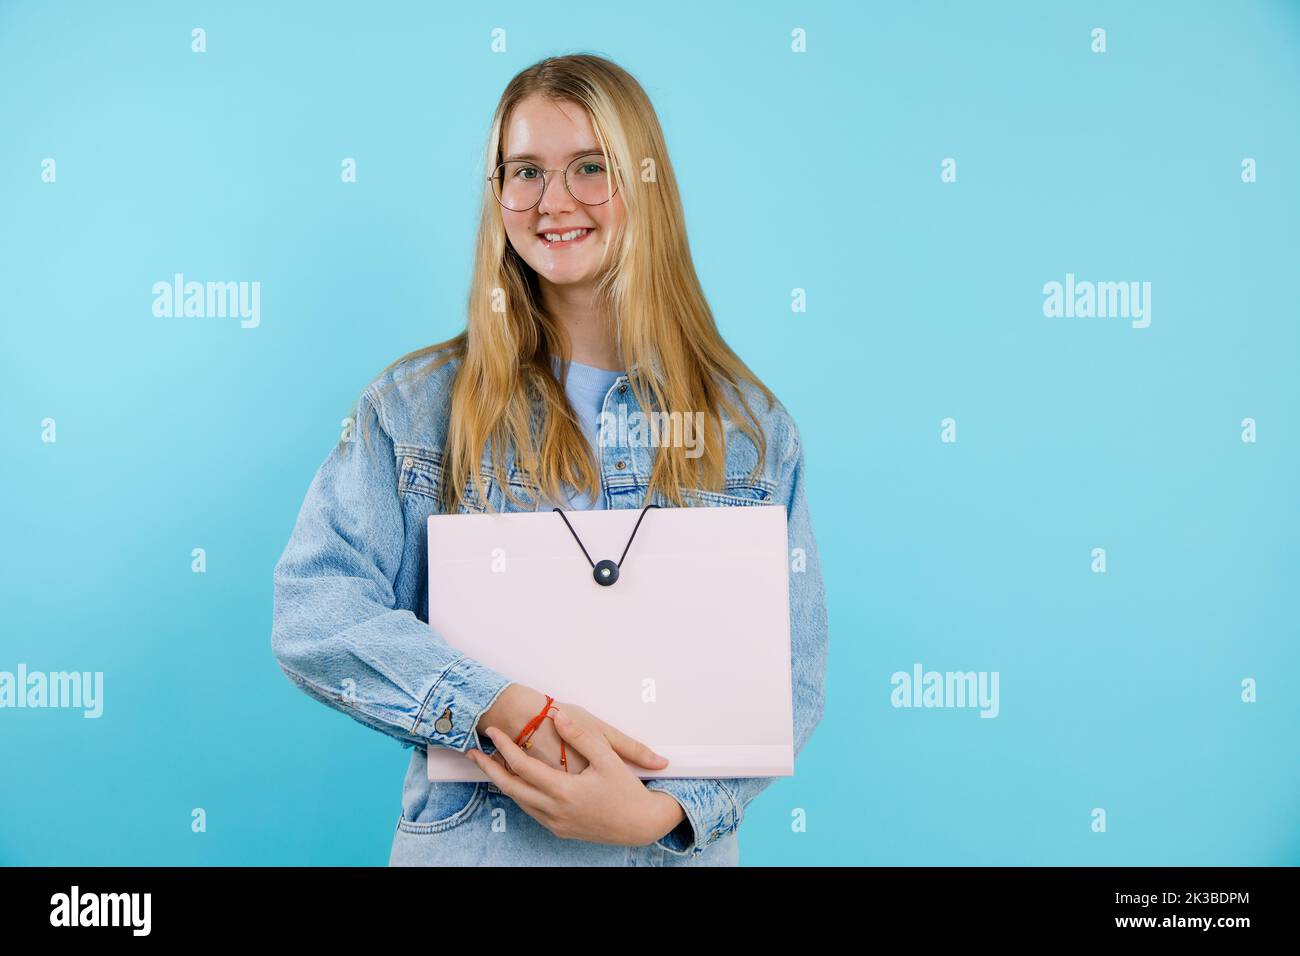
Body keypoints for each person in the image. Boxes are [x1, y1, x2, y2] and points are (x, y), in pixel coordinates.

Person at [271, 53, 828, 866]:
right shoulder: (415, 408)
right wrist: (505, 710)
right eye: (525, 171)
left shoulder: (751, 430)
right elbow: (314, 611)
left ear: (644, 183)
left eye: (589, 168)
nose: (553, 201)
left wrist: (659, 814)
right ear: (497, 195)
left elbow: (792, 681)